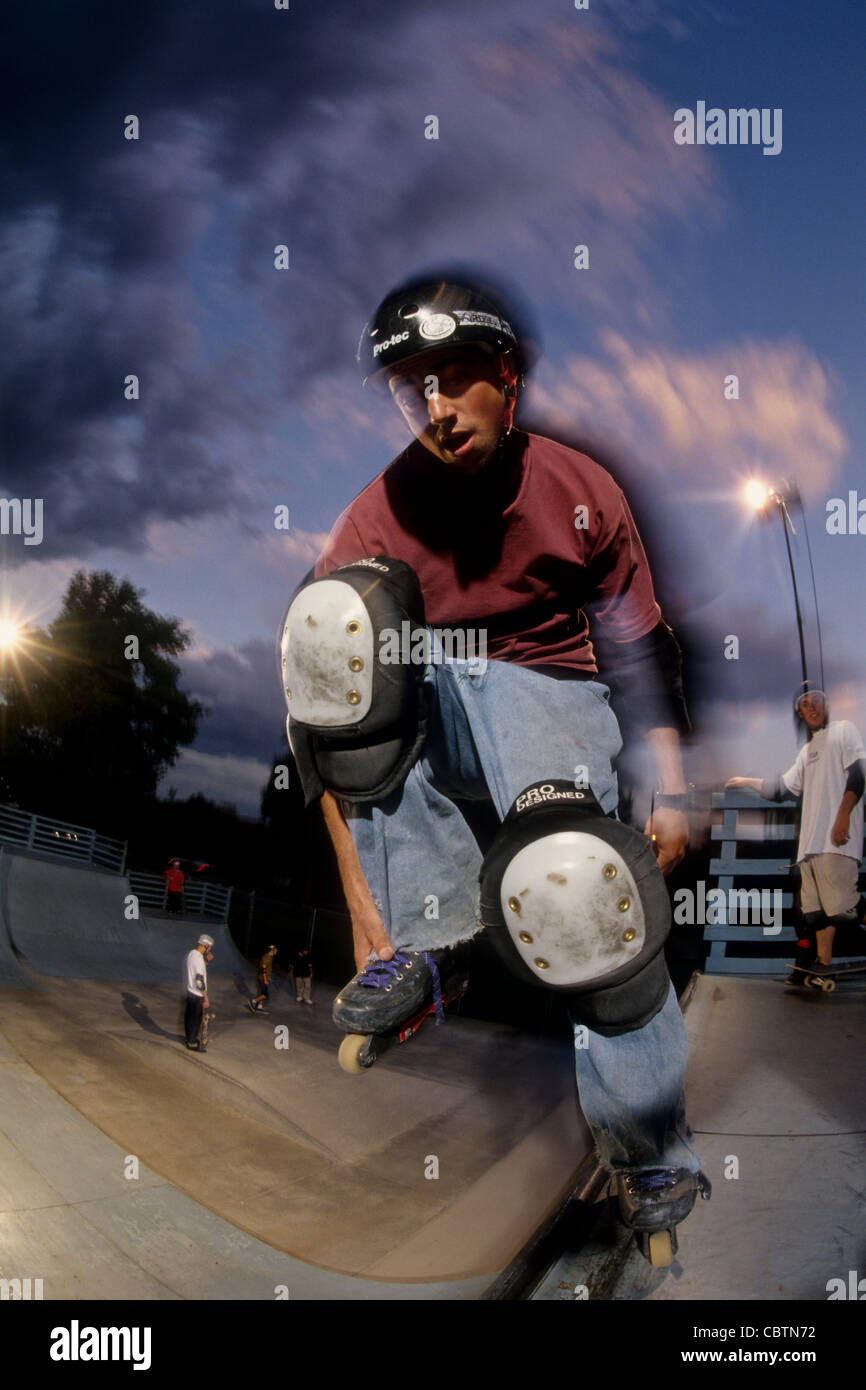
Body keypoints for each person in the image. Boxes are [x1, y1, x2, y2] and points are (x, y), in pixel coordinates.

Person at [280, 276, 709, 1263]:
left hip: (553, 702)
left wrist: (670, 783)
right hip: (438, 704)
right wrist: (363, 900)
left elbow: (643, 648)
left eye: (455, 379)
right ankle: (429, 943)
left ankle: (648, 1151)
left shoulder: (580, 489)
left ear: (506, 381)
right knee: (339, 624)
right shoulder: (375, 511)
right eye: (411, 389)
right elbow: (319, 693)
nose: (432, 407)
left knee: (577, 891)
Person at [727, 684, 866, 974]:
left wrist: (843, 816)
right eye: (805, 704)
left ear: (827, 705)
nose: (812, 707)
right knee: (816, 914)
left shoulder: (844, 730)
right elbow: (780, 789)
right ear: (799, 712)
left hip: (835, 840)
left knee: (844, 910)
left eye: (817, 700)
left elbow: (859, 775)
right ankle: (822, 963)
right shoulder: (807, 750)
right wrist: (745, 781)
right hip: (810, 845)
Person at [183, 933, 214, 1050]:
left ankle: (189, 1038)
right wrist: (205, 997)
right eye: (209, 947)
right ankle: (191, 1042)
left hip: (190, 991)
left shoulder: (192, 954)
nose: (210, 949)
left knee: (189, 1016)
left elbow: (195, 970)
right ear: (205, 945)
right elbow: (199, 980)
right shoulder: (198, 959)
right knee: (196, 1019)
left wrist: (206, 960)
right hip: (197, 994)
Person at [249, 944, 278, 1014]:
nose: (276, 951)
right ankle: (253, 1001)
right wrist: (265, 979)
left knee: (263, 993)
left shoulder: (270, 957)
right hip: (262, 978)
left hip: (264, 977)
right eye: (275, 950)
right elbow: (263, 968)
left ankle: (259, 1007)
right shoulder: (267, 957)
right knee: (265, 995)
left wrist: (268, 977)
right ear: (272, 950)